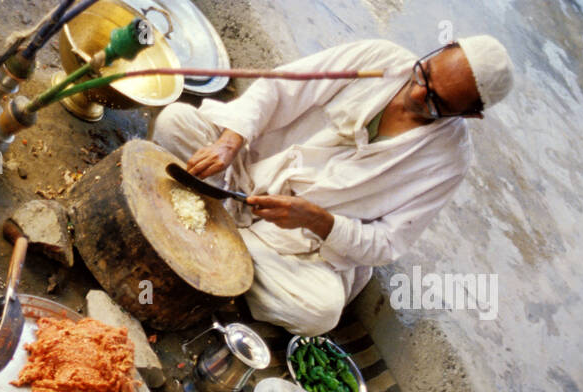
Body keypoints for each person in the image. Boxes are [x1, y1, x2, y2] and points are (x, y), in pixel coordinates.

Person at [152, 35, 513, 336]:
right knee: (175, 122)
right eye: (424, 74)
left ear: (469, 114)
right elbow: (280, 88)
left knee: (318, 312)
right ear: (436, 51)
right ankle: (223, 256)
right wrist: (230, 142)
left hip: (292, 244)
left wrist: (317, 220)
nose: (418, 94)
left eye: (437, 101)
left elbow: (387, 243)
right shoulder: (378, 58)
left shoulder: (449, 161)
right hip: (242, 172)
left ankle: (211, 239)